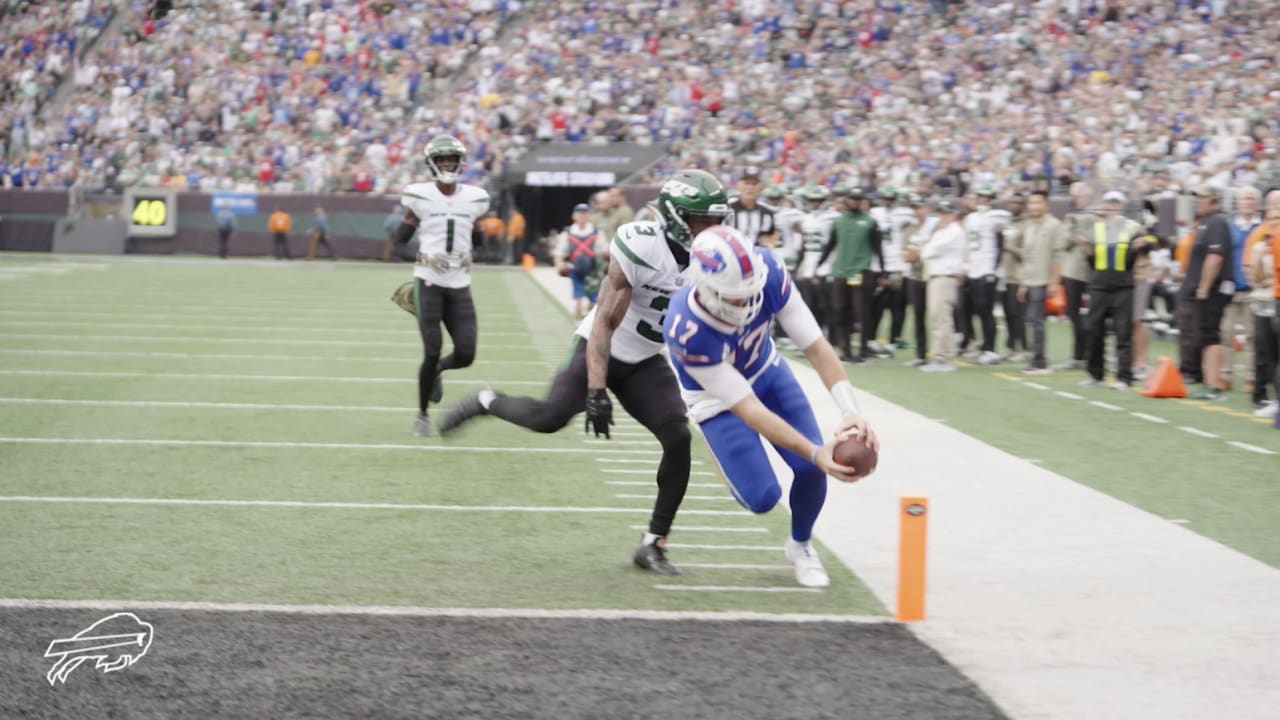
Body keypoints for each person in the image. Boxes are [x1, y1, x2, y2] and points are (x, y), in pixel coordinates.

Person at [438, 170, 734, 575]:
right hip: (602, 346)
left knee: (678, 437)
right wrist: (596, 391)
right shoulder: (642, 244)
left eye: (717, 220)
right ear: (677, 217)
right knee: (549, 418)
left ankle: (653, 544)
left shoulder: (718, 259)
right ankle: (486, 401)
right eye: (703, 220)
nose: (712, 229)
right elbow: (603, 326)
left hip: (646, 358)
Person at [663, 224, 878, 588]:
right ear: (704, 285)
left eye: (751, 292)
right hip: (717, 401)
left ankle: (800, 545)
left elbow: (816, 347)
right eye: (735, 296)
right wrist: (814, 450)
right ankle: (718, 446)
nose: (747, 303)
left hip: (766, 369)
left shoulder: (769, 274)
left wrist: (850, 411)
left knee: (813, 471)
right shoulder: (686, 327)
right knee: (762, 498)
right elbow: (747, 408)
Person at [391, 135, 490, 436]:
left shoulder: (474, 198)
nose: (448, 164)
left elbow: (480, 242)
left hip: (460, 283)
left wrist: (473, 253)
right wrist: (424, 257)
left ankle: (438, 371)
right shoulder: (418, 197)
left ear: (460, 163)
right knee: (432, 348)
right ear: (432, 164)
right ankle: (422, 415)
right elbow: (398, 244)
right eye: (442, 159)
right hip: (429, 281)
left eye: (452, 159)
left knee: (466, 353)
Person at [1079, 190, 1147, 389]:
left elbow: (1146, 247)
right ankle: (1095, 375)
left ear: (1122, 206)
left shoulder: (1132, 227)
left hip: (1122, 286)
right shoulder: (1095, 228)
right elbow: (1091, 258)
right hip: (1099, 285)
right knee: (1094, 331)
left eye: (1116, 203)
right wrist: (1085, 247)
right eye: (1108, 202)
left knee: (1123, 332)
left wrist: (1140, 245)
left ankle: (1124, 377)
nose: (1111, 206)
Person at [1181, 185, 1235, 400]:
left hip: (1212, 290)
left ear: (1213, 200)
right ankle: (1209, 382)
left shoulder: (1216, 223)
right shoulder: (1206, 223)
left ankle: (1213, 386)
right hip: (1206, 288)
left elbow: (1215, 257)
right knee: (1205, 335)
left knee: (1211, 335)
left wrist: (1204, 287)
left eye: (1202, 197)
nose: (1198, 201)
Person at [817, 186, 881, 364]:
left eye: (857, 199)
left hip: (860, 271)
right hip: (840, 272)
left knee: (860, 311)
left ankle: (862, 351)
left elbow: (878, 248)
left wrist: (882, 270)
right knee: (840, 310)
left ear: (861, 201)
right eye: (851, 198)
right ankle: (845, 350)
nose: (854, 202)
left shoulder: (869, 221)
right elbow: (830, 245)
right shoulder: (839, 221)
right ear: (846, 200)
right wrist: (819, 264)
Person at [1006, 190, 1067, 374]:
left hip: (1043, 280)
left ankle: (1039, 361)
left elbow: (1058, 255)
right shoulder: (1029, 225)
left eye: (1037, 202)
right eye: (1031, 203)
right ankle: (1036, 357)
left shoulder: (1053, 225)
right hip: (1029, 279)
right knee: (1030, 320)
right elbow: (1027, 256)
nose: (1033, 206)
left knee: (1037, 321)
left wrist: (1054, 282)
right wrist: (1023, 283)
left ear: (1046, 205)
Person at [960, 184, 1010, 365]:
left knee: (986, 310)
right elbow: (966, 243)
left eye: (986, 197)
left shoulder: (995, 217)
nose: (983, 200)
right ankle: (985, 347)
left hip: (987, 268)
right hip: (973, 268)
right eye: (980, 196)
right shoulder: (971, 218)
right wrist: (965, 265)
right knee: (978, 311)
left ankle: (990, 350)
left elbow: (1000, 243)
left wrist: (995, 270)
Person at [919, 198, 966, 372]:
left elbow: (930, 251)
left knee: (942, 319)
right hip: (935, 276)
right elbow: (926, 253)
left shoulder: (954, 231)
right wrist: (925, 250)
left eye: (946, 213)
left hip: (945, 277)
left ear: (953, 214)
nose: (942, 216)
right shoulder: (941, 231)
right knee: (938, 318)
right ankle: (942, 355)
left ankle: (943, 357)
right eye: (940, 212)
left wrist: (925, 250)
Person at [1244, 189, 1279, 416]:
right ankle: (1265, 396)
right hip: (1267, 298)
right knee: (1266, 351)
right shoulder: (1259, 234)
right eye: (1273, 204)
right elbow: (1249, 269)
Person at [1057, 182, 1096, 370]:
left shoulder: (1082, 217)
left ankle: (1081, 355)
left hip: (1077, 270)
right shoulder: (1091, 216)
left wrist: (1069, 236)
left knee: (1076, 314)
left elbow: (1064, 241)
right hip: (1079, 270)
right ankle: (1082, 354)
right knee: (1078, 315)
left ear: (1087, 197)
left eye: (1077, 195)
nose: (1074, 199)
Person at [899, 193, 935, 368]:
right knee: (918, 315)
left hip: (932, 275)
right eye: (914, 208)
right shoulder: (909, 229)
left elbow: (934, 251)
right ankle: (921, 354)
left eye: (920, 207)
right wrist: (920, 252)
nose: (917, 211)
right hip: (915, 275)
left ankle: (939, 353)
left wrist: (918, 252)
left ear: (926, 208)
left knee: (936, 316)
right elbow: (906, 255)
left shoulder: (934, 227)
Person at [553, 202, 605, 320]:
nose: (582, 216)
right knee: (578, 297)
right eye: (580, 214)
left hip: (593, 270)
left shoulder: (597, 232)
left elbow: (604, 250)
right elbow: (559, 252)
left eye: (585, 214)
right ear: (574, 216)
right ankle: (578, 323)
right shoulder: (568, 232)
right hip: (575, 268)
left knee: (594, 300)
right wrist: (559, 265)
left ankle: (589, 321)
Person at [728, 165, 776, 247]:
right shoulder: (728, 210)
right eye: (747, 183)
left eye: (754, 184)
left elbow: (769, 238)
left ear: (761, 186)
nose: (750, 187)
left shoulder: (767, 213)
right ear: (738, 185)